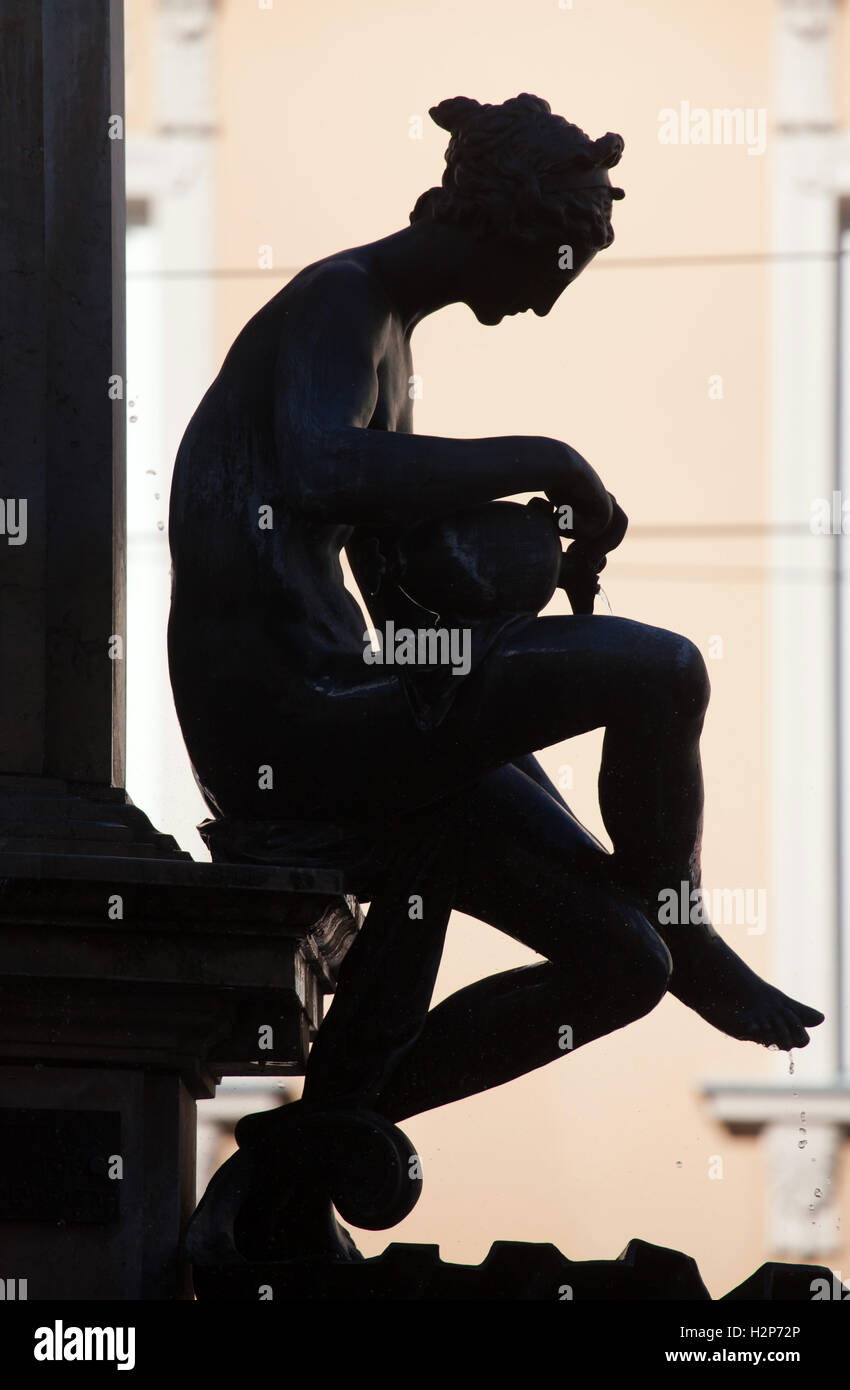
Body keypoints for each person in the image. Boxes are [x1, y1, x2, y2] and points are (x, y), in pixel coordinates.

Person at [169, 93, 823, 1144]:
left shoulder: (391, 339)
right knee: (661, 671)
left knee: (623, 964)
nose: (546, 303)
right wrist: (547, 462)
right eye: (551, 265)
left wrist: (501, 577)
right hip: (286, 716)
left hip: (356, 699)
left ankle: (325, 1136)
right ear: (498, 222)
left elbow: (397, 596)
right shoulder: (341, 300)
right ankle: (685, 921)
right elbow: (320, 465)